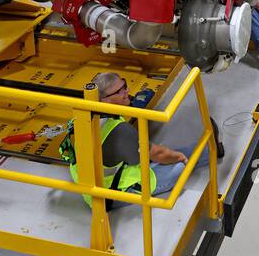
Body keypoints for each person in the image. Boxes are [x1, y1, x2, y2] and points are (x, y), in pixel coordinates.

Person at [64, 72, 220, 207]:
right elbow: (154, 154)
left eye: (124, 85)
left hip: (97, 184)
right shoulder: (120, 132)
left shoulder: (85, 116)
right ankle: (208, 151)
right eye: (120, 91)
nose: (128, 91)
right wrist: (179, 158)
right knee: (178, 166)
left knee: (164, 153)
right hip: (111, 194)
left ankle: (210, 148)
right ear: (105, 101)